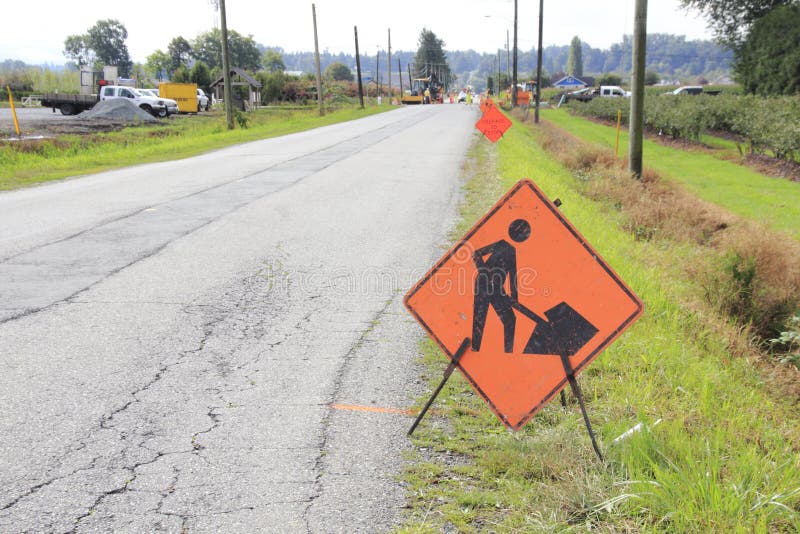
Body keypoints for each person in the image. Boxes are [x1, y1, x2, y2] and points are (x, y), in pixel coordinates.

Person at [471, 219, 531, 353]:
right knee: (480, 318)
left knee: (510, 320)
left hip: (498, 289)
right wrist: (485, 273)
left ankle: (508, 354)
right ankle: (474, 350)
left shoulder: (513, 251)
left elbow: (513, 277)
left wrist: (515, 299)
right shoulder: (501, 244)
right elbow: (476, 254)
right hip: (483, 284)